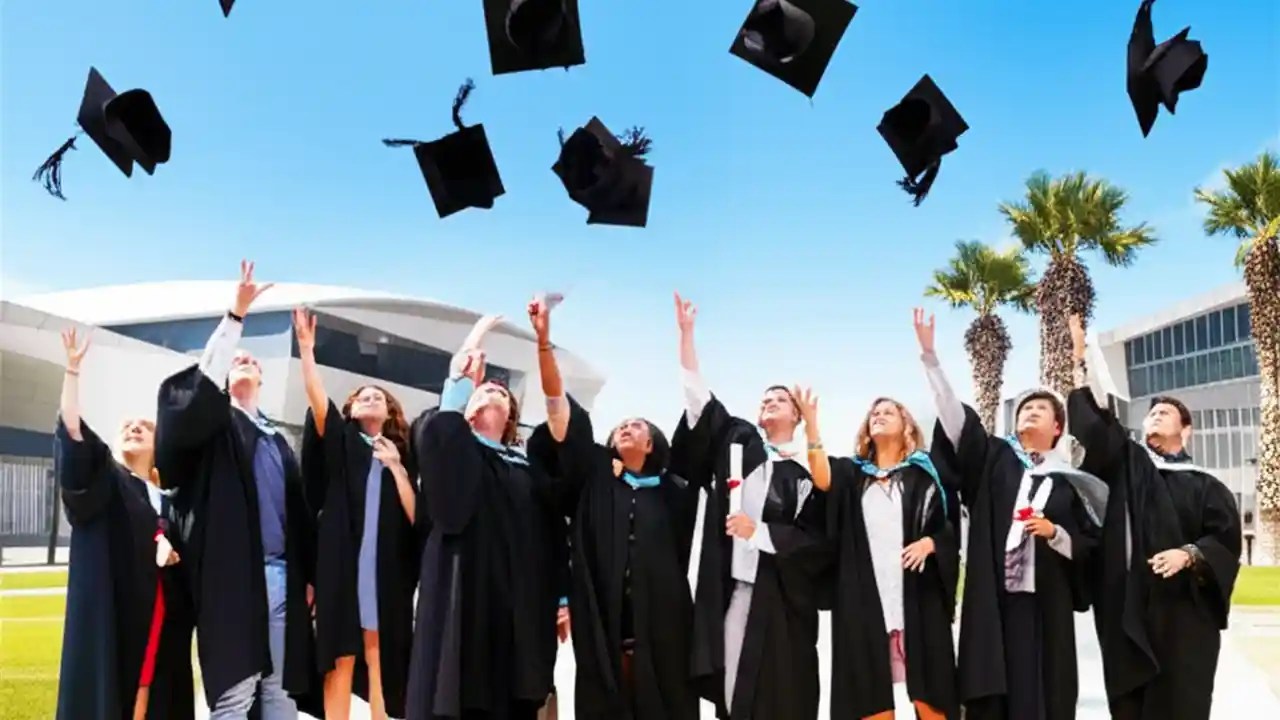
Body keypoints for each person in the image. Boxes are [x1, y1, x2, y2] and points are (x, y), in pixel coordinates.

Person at [917, 308, 1106, 720]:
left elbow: (1091, 546)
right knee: (991, 697)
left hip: (1044, 605)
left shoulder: (1068, 482)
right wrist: (931, 360)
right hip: (994, 600)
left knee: (1042, 696)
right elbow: (955, 425)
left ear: (1058, 428)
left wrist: (1056, 532)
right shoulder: (995, 460)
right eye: (1024, 409)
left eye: (1040, 410)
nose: (1029, 413)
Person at [154, 261, 319, 719]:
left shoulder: (276, 441)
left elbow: (298, 516)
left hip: (282, 580)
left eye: (251, 359)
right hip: (232, 579)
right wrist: (235, 317)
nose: (242, 361)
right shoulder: (214, 429)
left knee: (281, 694)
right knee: (234, 695)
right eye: (236, 360)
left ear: (263, 380)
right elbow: (197, 393)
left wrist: (307, 576)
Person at [524, 296, 700, 720]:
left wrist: (686, 337)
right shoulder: (596, 479)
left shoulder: (674, 493)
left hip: (663, 630)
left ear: (652, 443)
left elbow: (698, 409)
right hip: (603, 623)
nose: (625, 426)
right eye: (621, 424)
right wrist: (543, 342)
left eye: (636, 425)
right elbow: (556, 406)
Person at [1065, 315, 1241, 720]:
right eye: (1152, 413)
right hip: (1126, 608)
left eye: (1165, 412)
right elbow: (1098, 425)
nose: (1156, 416)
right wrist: (1081, 359)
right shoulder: (1129, 465)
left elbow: (1226, 541)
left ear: (1187, 430)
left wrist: (1191, 554)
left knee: (1180, 701)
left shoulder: (1205, 484)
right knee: (1129, 704)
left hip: (1183, 615)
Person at [669, 292, 832, 720]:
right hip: (735, 588)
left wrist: (758, 532)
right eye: (764, 398)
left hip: (783, 598)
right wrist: (687, 338)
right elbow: (698, 402)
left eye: (780, 399)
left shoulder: (809, 470)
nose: (768, 402)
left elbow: (818, 538)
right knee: (734, 691)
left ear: (798, 416)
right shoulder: (738, 440)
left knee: (786, 692)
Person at [405, 312, 570, 720]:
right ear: (467, 410)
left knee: (517, 694)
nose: (492, 391)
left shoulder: (528, 466)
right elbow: (443, 444)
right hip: (465, 588)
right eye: (483, 391)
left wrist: (561, 595)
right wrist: (471, 350)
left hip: (522, 601)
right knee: (461, 689)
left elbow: (552, 535)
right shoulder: (452, 444)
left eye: (500, 391)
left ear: (512, 413)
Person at [53, 327, 194, 720]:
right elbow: (76, 438)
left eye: (144, 426)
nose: (135, 428)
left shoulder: (172, 500)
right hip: (122, 613)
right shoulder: (111, 483)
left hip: (167, 623)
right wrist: (73, 374)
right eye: (127, 426)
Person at [294, 308, 419, 720]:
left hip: (385, 569)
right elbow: (317, 400)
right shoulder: (342, 441)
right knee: (340, 656)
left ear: (390, 414)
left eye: (378, 397)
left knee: (380, 654)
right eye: (362, 395)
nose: (370, 398)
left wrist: (397, 469)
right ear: (350, 410)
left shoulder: (401, 454)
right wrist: (308, 352)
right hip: (342, 564)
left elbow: (416, 517)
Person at [812, 393, 959, 720]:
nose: (878, 415)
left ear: (906, 425)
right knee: (866, 692)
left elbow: (947, 529)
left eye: (888, 411)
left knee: (932, 692)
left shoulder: (923, 476)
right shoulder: (852, 473)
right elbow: (822, 479)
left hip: (916, 594)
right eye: (874, 412)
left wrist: (931, 544)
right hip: (865, 595)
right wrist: (811, 425)